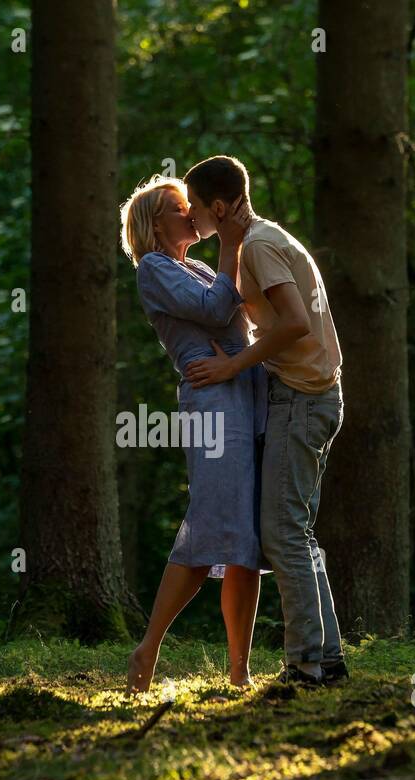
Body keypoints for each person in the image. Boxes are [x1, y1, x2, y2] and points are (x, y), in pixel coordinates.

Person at [182, 155, 348, 687]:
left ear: (221, 206)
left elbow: (296, 323)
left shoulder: (258, 246)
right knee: (295, 532)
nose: (193, 224)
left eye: (197, 213)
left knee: (282, 536)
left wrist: (233, 363)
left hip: (303, 400)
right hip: (308, 396)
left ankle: (304, 664)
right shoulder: (260, 239)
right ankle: (327, 656)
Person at [117, 174, 268, 691]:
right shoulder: (153, 270)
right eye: (181, 207)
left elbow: (239, 316)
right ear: (156, 223)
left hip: (244, 394)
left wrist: (242, 355)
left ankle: (239, 671)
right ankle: (147, 648)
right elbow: (213, 310)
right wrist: (231, 242)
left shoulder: (198, 267)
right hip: (212, 403)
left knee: (245, 539)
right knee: (209, 531)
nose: (193, 212)